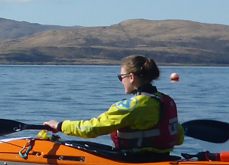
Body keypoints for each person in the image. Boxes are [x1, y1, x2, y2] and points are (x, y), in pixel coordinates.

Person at [43, 55, 185, 155]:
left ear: (131, 77)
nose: (121, 81)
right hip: (162, 158)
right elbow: (178, 139)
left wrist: (60, 126)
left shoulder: (132, 106)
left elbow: (91, 129)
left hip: (135, 161)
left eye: (121, 77)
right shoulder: (165, 101)